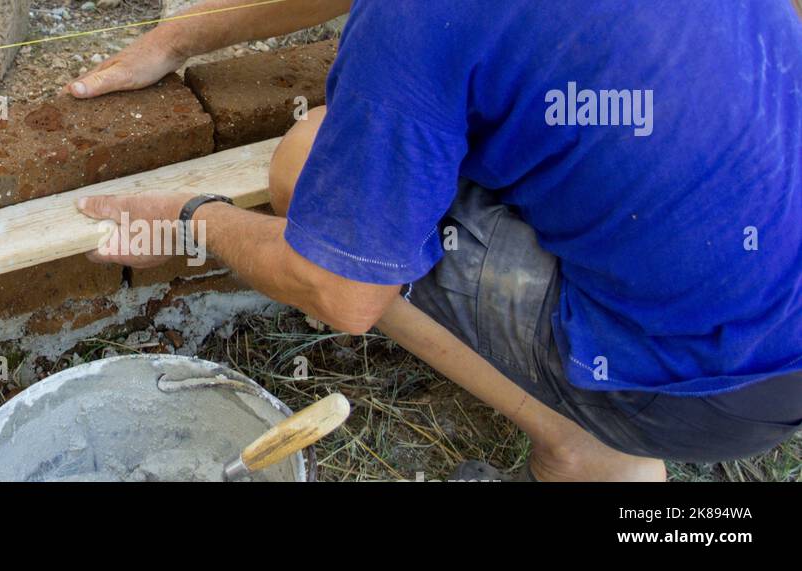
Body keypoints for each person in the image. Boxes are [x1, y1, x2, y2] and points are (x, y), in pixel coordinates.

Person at [68, 0, 802, 481]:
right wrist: (187, 36)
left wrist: (195, 217)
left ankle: (588, 444)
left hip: (696, 392)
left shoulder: (413, 20)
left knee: (309, 165)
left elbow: (344, 292)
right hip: (779, 333)